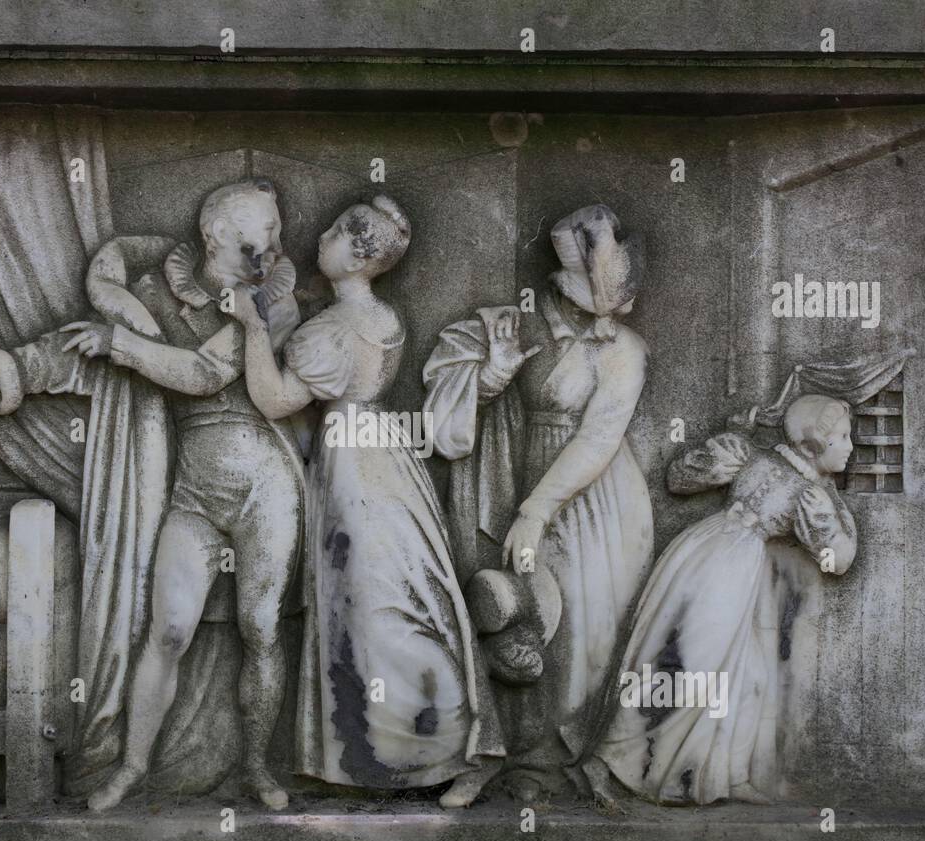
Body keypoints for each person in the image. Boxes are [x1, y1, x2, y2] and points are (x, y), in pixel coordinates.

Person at [0, 179, 304, 811]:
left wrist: (122, 344)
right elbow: (80, 352)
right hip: (194, 489)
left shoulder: (275, 303)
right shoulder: (150, 300)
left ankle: (259, 768)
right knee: (167, 629)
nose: (276, 244)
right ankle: (132, 767)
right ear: (215, 234)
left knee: (261, 625)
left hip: (266, 482)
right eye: (263, 231)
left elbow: (205, 373)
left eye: (277, 229)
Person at [229, 196, 505, 807]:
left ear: (356, 253)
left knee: (374, 605)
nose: (319, 235)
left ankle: (440, 748)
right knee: (407, 594)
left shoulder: (327, 331)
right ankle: (395, 752)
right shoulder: (384, 317)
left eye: (330, 232)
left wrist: (252, 329)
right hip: (385, 452)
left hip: (353, 466)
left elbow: (275, 400)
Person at [422, 204, 655, 801]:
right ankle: (496, 753)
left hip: (594, 498)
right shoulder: (515, 327)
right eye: (595, 302)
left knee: (579, 627)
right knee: (509, 616)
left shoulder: (625, 350)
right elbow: (458, 391)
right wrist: (491, 378)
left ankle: (557, 769)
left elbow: (598, 439)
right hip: (517, 472)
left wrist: (537, 511)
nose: (608, 316)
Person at [595, 394, 858, 806]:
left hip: (744, 574)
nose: (850, 447)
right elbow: (678, 479)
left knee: (749, 678)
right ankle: (646, 764)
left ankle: (724, 776)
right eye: (842, 436)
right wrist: (729, 442)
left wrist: (825, 520)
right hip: (716, 560)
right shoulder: (762, 461)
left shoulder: (818, 495)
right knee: (697, 663)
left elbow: (838, 560)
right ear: (814, 441)